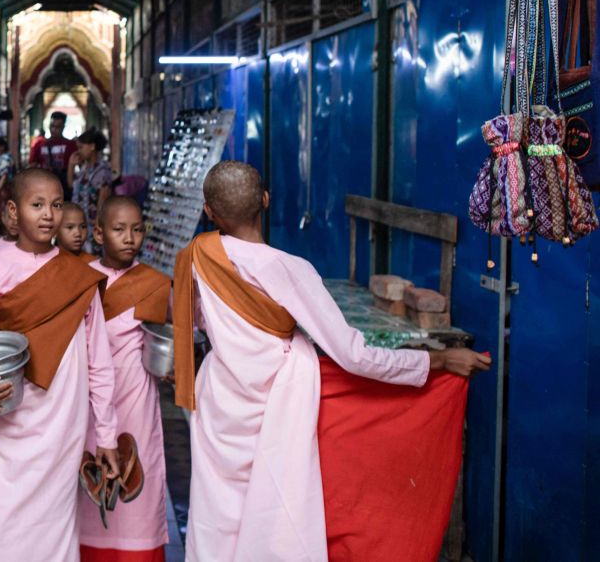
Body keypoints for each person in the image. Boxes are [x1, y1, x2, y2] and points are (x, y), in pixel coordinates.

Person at [173, 161, 490, 561]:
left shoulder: (198, 257)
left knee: (218, 515)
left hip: (221, 402)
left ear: (208, 211)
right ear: (266, 201)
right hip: (278, 406)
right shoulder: (289, 270)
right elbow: (354, 356)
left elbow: (199, 321)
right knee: (274, 517)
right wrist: (437, 362)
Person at [0, 168, 120, 562]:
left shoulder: (78, 277)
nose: (48, 215)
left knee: (55, 526)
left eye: (55, 205)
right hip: (10, 422)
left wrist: (106, 434)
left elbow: (101, 365)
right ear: (12, 213)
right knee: (1, 526)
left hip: (63, 427)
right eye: (37, 205)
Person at [80, 196, 171, 561]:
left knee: (136, 476)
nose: (129, 238)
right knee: (90, 477)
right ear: (99, 233)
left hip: (135, 395)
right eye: (119, 230)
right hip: (88, 397)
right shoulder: (79, 279)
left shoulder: (153, 282)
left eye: (136, 230)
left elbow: (176, 331)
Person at [70, 129, 115, 253]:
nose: (79, 151)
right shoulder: (85, 168)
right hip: (81, 224)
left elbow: (103, 198)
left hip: (92, 226)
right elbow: (72, 185)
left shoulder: (102, 170)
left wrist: (97, 225)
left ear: (92, 147)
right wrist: (71, 165)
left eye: (81, 147)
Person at [29, 111, 77, 192]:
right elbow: (32, 166)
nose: (53, 129)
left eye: (57, 127)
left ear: (63, 127)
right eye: (52, 126)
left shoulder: (71, 145)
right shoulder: (39, 144)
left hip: (63, 187)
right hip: (43, 185)